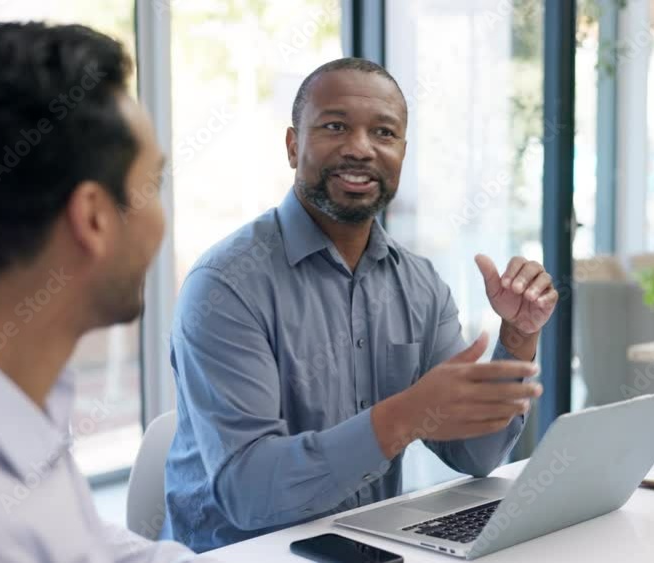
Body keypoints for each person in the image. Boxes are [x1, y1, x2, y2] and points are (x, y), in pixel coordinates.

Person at [162, 58, 559, 551]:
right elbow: (248, 493)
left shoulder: (420, 284)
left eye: (384, 133)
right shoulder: (225, 285)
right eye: (334, 126)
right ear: (292, 146)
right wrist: (405, 416)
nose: (360, 148)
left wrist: (517, 338)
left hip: (365, 548)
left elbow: (475, 456)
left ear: (402, 153)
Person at [0, 22, 214, 561]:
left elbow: (78, 540)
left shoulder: (2, 386)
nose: (161, 217)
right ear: (93, 217)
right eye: (152, 186)